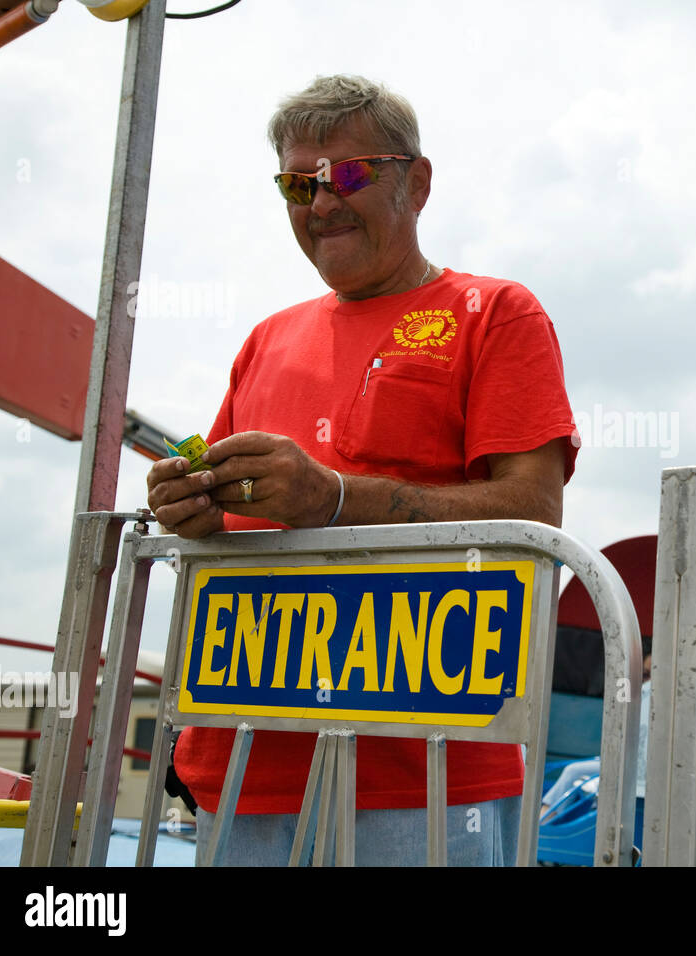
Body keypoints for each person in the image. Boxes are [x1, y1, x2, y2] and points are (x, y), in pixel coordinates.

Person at [144, 74, 580, 865]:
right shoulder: (265, 339)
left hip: (427, 774)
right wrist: (188, 504)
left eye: (348, 174)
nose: (321, 204)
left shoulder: (496, 312)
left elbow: (533, 512)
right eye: (297, 183)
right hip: (242, 762)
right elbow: (217, 508)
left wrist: (337, 498)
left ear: (417, 183)